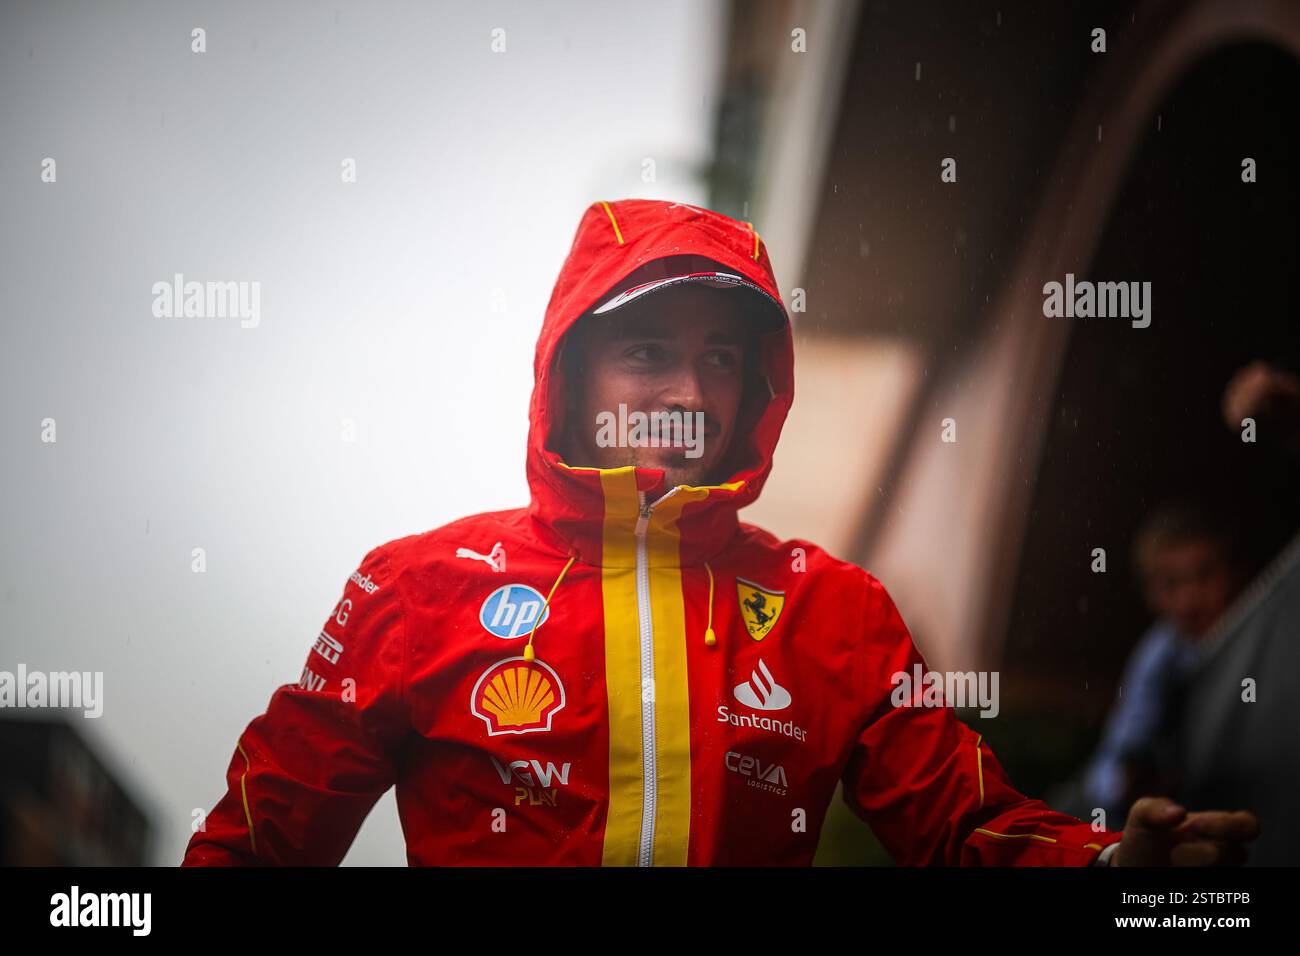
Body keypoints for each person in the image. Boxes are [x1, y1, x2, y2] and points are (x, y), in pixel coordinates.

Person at [183, 198, 1256, 866]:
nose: (689, 390)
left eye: (721, 358)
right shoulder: (414, 588)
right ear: (569, 375)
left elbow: (967, 831)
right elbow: (257, 845)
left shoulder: (835, 608)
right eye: (646, 349)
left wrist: (1113, 871)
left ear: (757, 389)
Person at [1075, 503, 1248, 827]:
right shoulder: (1159, 656)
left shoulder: (1261, 636)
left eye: (1205, 575)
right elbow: (1116, 766)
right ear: (1151, 595)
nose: (1189, 599)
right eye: (1171, 584)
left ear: (1235, 573)